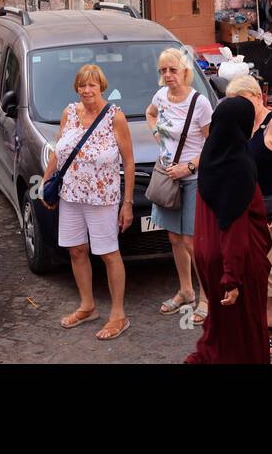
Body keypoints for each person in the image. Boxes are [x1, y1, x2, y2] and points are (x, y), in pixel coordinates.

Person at [40, 63, 135, 341]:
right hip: (70, 196)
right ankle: (87, 306)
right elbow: (59, 152)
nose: (87, 90)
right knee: (77, 251)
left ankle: (119, 315)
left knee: (108, 253)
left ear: (101, 86)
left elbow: (129, 163)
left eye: (92, 85)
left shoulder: (115, 117)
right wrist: (47, 184)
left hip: (102, 199)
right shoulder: (69, 113)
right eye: (82, 85)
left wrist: (127, 203)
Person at [185, 96, 272, 364]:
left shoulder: (211, 158)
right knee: (243, 331)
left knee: (222, 328)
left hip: (209, 260)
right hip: (235, 266)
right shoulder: (239, 167)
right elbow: (234, 229)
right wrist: (232, 280)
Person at [225, 74, 272, 359]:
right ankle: (267, 319)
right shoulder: (242, 125)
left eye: (242, 101)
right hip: (249, 210)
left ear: (257, 97)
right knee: (256, 268)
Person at [145, 47, 213, 322]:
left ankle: (207, 296)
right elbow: (150, 114)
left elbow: (212, 144)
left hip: (194, 179)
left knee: (191, 241)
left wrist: (190, 166)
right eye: (163, 70)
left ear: (185, 70)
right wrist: (158, 137)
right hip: (168, 177)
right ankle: (186, 291)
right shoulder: (161, 96)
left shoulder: (200, 103)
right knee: (173, 237)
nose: (168, 75)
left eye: (172, 69)